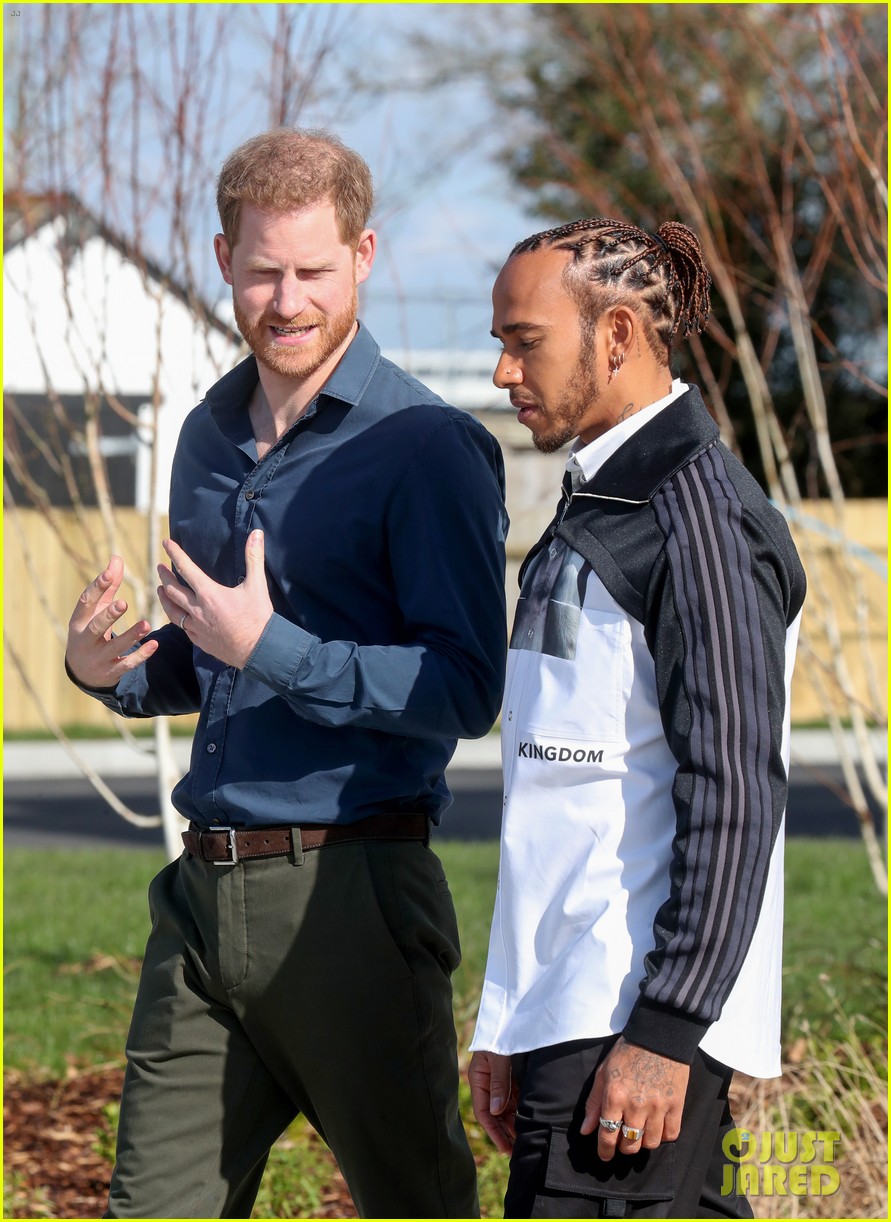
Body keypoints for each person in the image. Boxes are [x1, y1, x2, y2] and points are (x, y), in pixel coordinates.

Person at [65, 127, 508, 1219]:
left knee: (420, 1208)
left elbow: (464, 688)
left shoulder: (428, 444)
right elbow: (214, 658)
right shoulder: (206, 435)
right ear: (224, 259)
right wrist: (109, 672)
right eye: (263, 270)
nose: (288, 299)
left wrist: (271, 645)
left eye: (314, 269)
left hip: (351, 893)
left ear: (364, 254)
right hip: (200, 901)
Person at [468, 216, 806, 1218]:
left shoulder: (696, 519)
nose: (501, 370)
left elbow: (738, 792)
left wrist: (664, 1031)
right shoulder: (601, 503)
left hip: (630, 1032)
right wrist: (506, 1017)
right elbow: (558, 796)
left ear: (615, 335)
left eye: (524, 339)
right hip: (568, 1018)